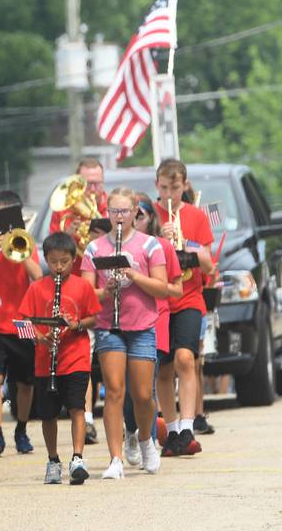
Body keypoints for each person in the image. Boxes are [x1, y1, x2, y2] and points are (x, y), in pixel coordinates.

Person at [82, 187, 170, 479]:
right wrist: (105, 290)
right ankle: (115, 459)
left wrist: (133, 274)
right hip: (110, 326)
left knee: (143, 395)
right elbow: (86, 294)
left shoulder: (150, 245)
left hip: (142, 326)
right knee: (115, 391)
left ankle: (145, 440)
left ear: (135, 212)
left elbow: (161, 288)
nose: (119, 217)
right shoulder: (95, 248)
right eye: (113, 212)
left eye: (124, 211)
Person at [20, 232, 101, 485]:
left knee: (77, 407)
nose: (58, 267)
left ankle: (77, 457)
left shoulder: (82, 286)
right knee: (48, 414)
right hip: (46, 361)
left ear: (73, 261)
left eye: (64, 261)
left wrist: (75, 324)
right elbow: (24, 321)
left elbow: (94, 317)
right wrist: (40, 338)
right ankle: (53, 459)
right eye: (53, 261)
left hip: (75, 357)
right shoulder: (37, 288)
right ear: (45, 259)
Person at [153, 159, 215, 457]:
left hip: (190, 297)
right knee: (163, 368)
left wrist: (188, 244)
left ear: (185, 186)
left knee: (185, 358)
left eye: (175, 188)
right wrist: (159, 240)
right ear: (157, 186)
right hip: (160, 300)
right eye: (164, 188)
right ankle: (174, 428)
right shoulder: (150, 214)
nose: (169, 194)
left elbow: (209, 264)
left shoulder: (196, 216)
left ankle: (189, 423)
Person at [48, 157, 108, 445]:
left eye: (97, 182)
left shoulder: (111, 206)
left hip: (107, 292)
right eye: (88, 183)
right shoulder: (64, 211)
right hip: (75, 291)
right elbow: (52, 248)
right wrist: (69, 237)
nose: (93, 189)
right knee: (83, 359)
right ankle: (87, 419)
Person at [0, 190, 42, 458]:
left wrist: (21, 248)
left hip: (23, 322)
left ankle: (21, 429)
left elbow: (38, 276)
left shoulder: (26, 242)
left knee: (26, 382)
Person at [123, 194, 182, 468]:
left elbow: (175, 288)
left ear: (149, 218)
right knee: (125, 387)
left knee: (147, 385)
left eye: (141, 216)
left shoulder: (161, 247)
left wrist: (147, 283)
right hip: (124, 320)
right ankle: (131, 433)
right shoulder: (116, 246)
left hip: (155, 317)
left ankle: (149, 440)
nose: (136, 221)